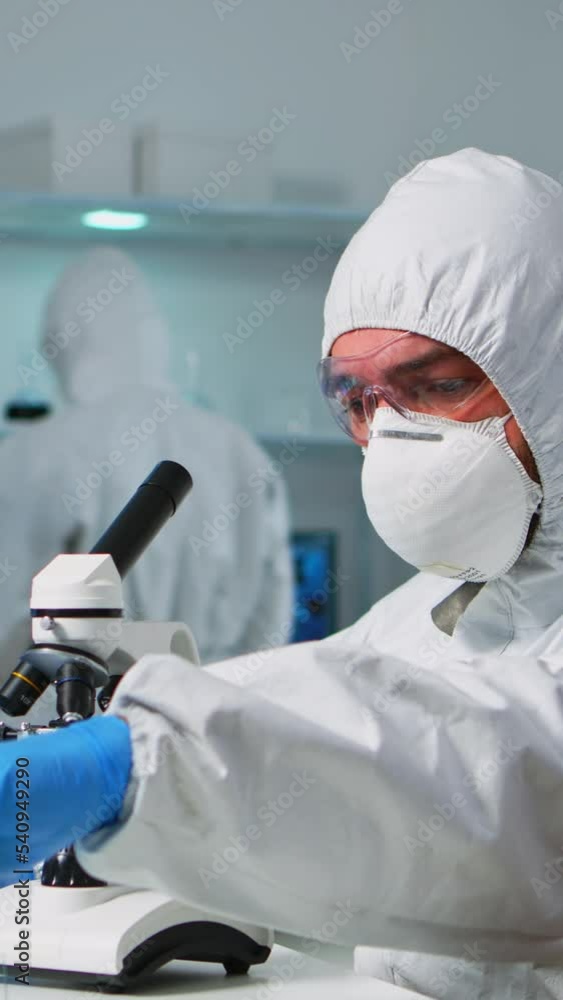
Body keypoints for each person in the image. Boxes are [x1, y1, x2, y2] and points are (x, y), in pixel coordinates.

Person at [3, 147, 563, 998]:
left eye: (439, 384)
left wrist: (136, 762)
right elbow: (325, 712)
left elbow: (503, 785)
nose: (391, 437)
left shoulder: (37, 456)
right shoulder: (426, 615)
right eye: (357, 399)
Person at [0, 248, 293, 687]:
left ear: (67, 342)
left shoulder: (34, 453)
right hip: (208, 720)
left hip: (69, 724)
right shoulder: (241, 451)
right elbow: (271, 626)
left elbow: (9, 622)